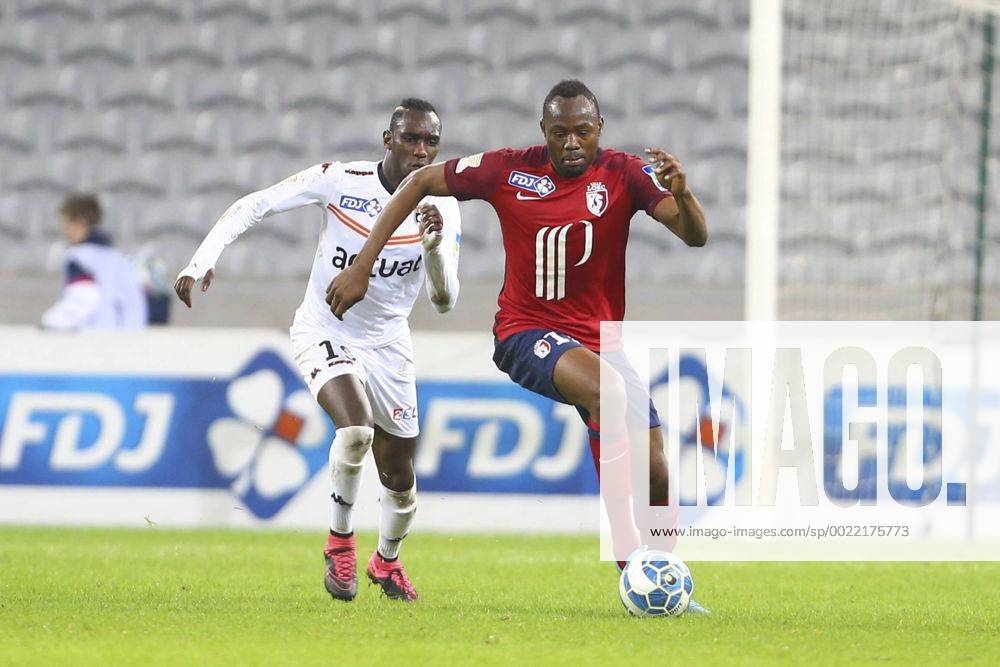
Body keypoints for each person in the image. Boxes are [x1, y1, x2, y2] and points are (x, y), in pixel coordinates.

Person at [327, 80, 708, 569]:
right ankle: (625, 553)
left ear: (600, 130)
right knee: (608, 395)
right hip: (524, 332)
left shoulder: (625, 173)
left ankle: (661, 575)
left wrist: (685, 193)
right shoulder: (509, 169)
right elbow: (419, 182)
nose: (572, 143)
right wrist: (362, 264)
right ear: (543, 131)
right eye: (560, 132)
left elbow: (694, 236)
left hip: (599, 342)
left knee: (655, 468)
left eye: (583, 132)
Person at [174, 98, 461, 603]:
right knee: (355, 430)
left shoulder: (444, 204)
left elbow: (443, 301)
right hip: (325, 328)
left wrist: (437, 251)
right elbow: (254, 204)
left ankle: (386, 563)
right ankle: (340, 543)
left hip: (390, 344)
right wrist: (202, 260)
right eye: (411, 139)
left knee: (400, 478)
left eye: (430, 141)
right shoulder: (340, 179)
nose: (421, 151)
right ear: (388, 139)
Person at [42, 194, 148, 331]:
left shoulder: (78, 259)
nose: (63, 229)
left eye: (66, 222)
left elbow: (82, 297)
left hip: (94, 338)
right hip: (130, 337)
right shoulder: (121, 259)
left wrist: (50, 321)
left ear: (80, 223)